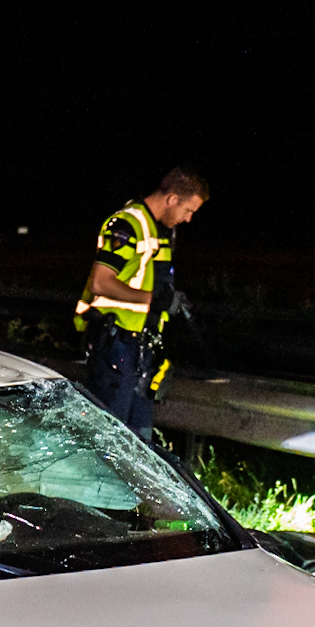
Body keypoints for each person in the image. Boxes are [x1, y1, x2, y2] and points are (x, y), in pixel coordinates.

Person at [74, 167, 209, 440]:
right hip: (116, 346)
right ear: (172, 198)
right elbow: (101, 282)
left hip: (141, 350)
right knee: (111, 443)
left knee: (140, 443)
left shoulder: (163, 231)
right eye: (188, 210)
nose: (189, 219)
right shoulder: (127, 225)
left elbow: (153, 283)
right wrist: (156, 300)